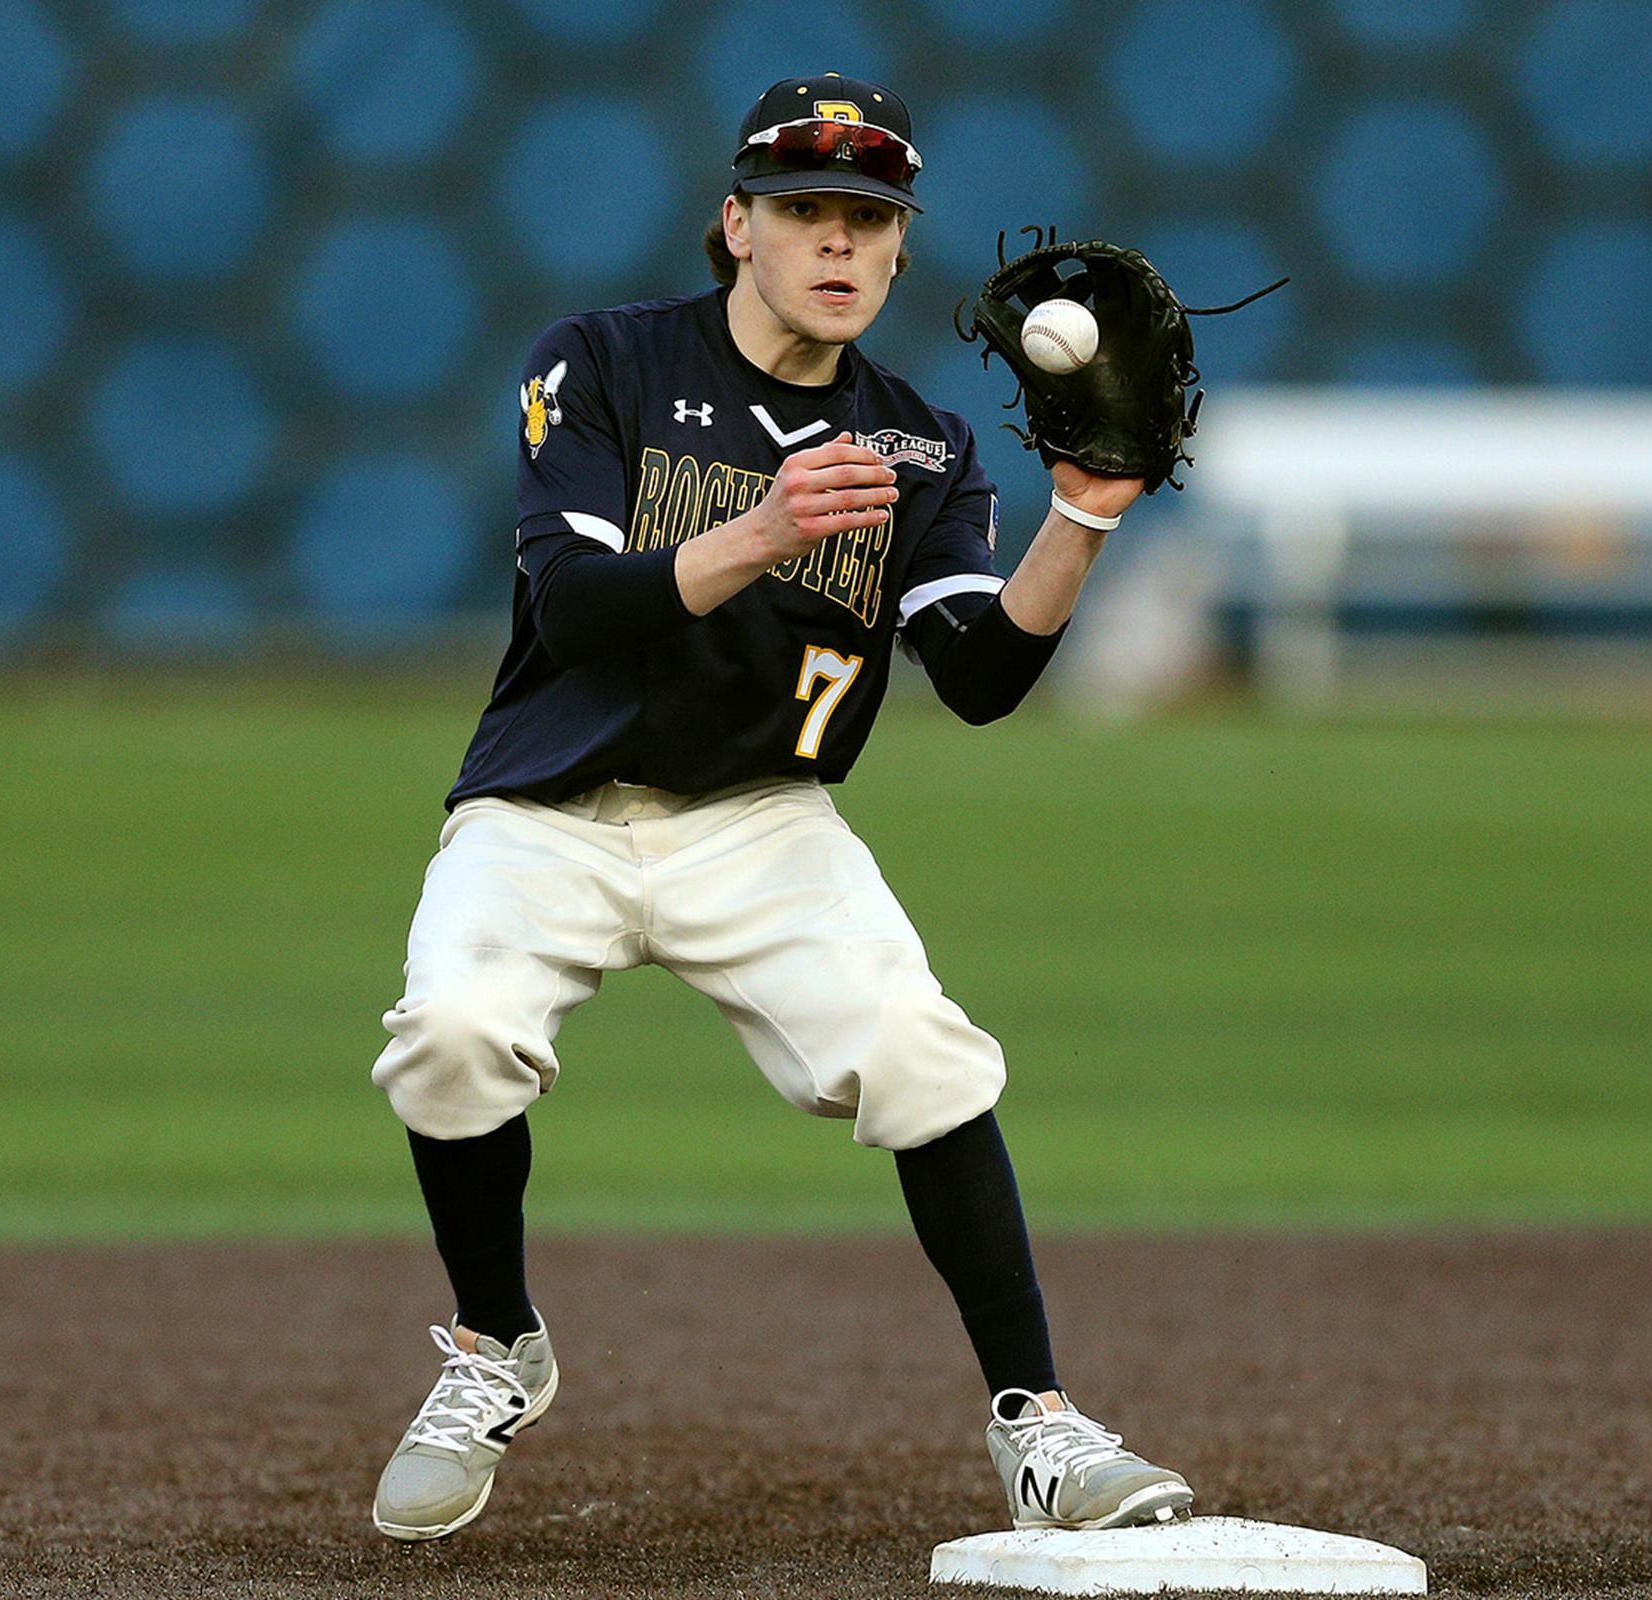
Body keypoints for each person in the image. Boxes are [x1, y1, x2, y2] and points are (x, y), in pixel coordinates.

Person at [363, 72, 1192, 1544]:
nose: (840, 243)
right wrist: (758, 530)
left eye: (871, 221)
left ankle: (1039, 1425)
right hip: (549, 804)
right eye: (805, 210)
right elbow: (568, 603)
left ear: (898, 251)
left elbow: (984, 676)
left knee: (917, 1052)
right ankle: (499, 1350)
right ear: (733, 225)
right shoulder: (602, 363)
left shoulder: (922, 443)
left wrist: (1080, 516)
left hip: (762, 818)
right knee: (451, 1033)